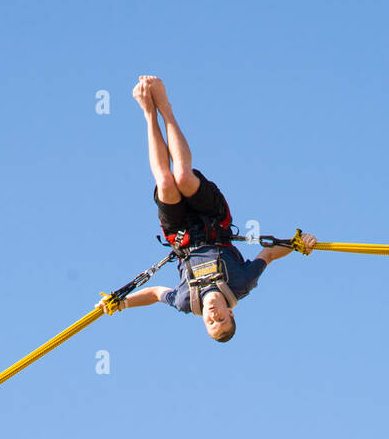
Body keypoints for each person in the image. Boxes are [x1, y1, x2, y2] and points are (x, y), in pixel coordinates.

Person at [101, 76, 315, 342]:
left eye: (210, 322)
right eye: (221, 319)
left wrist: (121, 303)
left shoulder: (184, 301)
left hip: (180, 234)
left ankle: (148, 112)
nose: (213, 315)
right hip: (214, 221)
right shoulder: (241, 284)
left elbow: (156, 294)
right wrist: (299, 243)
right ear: (231, 314)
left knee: (166, 183)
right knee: (182, 177)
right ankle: (165, 107)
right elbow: (269, 254)